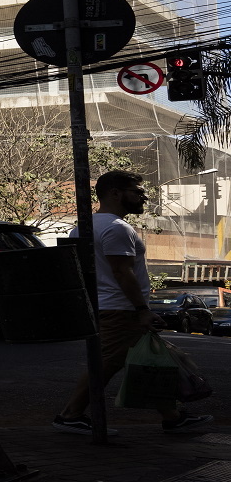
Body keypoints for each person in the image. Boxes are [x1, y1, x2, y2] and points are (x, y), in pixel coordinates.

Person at [55, 168, 212, 436]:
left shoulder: (85, 226)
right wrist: (141, 310)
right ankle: (70, 415)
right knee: (106, 365)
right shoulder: (117, 228)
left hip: (112, 307)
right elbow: (122, 272)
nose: (143, 198)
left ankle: (172, 417)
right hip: (120, 309)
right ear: (115, 193)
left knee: (150, 361)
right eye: (137, 192)